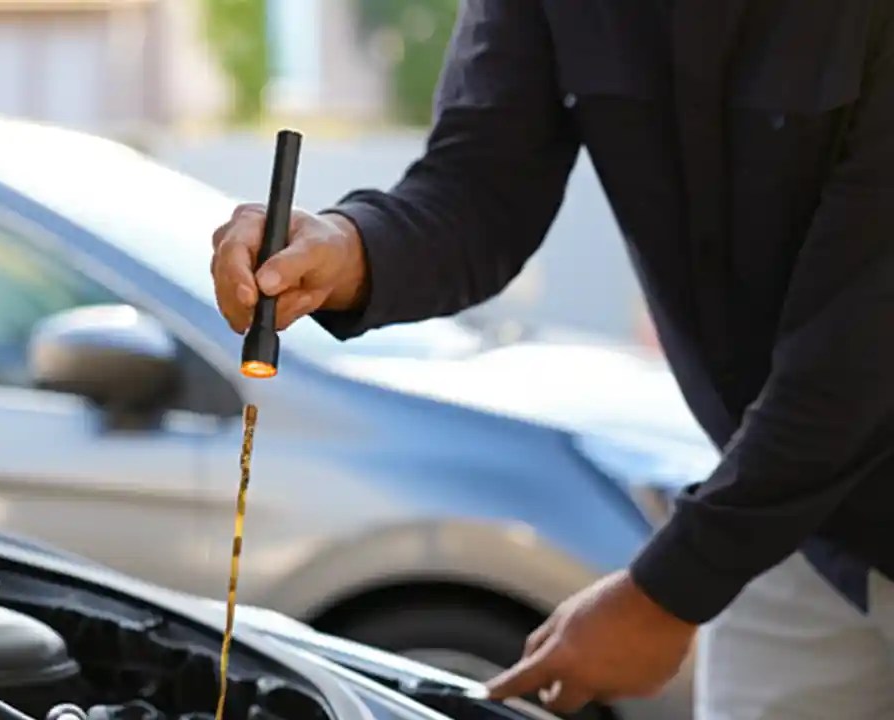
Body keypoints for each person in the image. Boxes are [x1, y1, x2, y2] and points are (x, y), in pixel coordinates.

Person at [209, 2, 894, 718]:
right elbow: (482, 186)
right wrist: (348, 248)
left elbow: (864, 338)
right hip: (786, 520)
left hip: (794, 474)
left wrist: (672, 586)